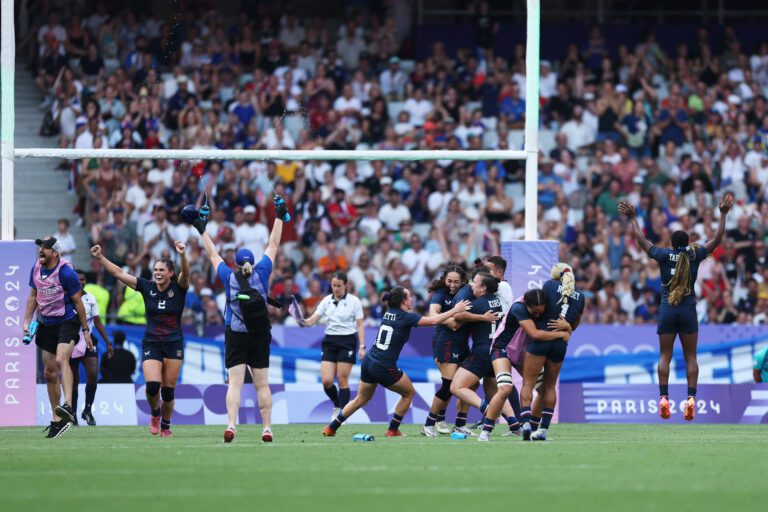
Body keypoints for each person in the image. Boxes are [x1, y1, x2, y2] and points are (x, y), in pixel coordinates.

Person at [618, 192, 733, 421]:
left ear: (671, 244)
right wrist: (722, 215)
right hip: (688, 308)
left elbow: (642, 242)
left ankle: (664, 398)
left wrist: (633, 218)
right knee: (691, 357)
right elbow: (717, 240)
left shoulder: (663, 255)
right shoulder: (695, 255)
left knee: (665, 356)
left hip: (667, 308)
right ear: (688, 243)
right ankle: (690, 399)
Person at [322, 287, 471, 437]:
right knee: (409, 393)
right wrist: (455, 310)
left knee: (360, 399)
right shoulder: (406, 317)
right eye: (410, 296)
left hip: (369, 361)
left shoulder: (389, 313)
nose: (412, 299)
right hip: (384, 366)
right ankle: (393, 429)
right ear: (404, 301)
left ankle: (332, 427)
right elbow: (434, 320)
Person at [198, 196, 287, 443]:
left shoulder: (228, 277)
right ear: (253, 261)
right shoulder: (263, 271)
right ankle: (267, 428)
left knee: (234, 384)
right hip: (259, 334)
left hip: (235, 334)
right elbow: (274, 243)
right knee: (263, 385)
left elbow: (213, 254)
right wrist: (279, 216)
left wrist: (202, 229)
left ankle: (231, 425)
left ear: (236, 263)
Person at [90, 240, 189, 437]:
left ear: (170, 273)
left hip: (173, 343)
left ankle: (166, 426)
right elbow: (119, 273)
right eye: (155, 269)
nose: (157, 273)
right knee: (152, 387)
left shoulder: (179, 288)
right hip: (151, 342)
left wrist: (182, 255)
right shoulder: (146, 287)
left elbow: (185, 273)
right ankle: (155, 414)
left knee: (168, 391)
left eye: (162, 270)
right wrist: (100, 258)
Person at [24, 236, 93, 438]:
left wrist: (86, 330)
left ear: (56, 253)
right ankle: (57, 420)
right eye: (40, 247)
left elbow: (79, 303)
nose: (41, 251)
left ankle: (69, 406)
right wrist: (26, 322)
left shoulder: (66, 272)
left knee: (62, 358)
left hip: (67, 321)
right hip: (46, 322)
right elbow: (32, 297)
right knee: (49, 373)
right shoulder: (36, 268)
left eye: (45, 248)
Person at [479, 288, 570, 442]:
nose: (538, 315)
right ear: (527, 305)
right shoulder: (518, 308)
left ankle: (533, 430)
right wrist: (562, 334)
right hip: (502, 350)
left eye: (540, 312)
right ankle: (485, 432)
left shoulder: (543, 308)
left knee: (544, 390)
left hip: (523, 355)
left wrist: (567, 327)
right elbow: (534, 334)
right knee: (505, 389)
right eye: (534, 312)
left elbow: (565, 323)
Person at [449, 271, 518, 435]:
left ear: (484, 287)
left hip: (482, 352)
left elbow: (458, 315)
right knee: (493, 390)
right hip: (496, 352)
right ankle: (514, 424)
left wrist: (478, 317)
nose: (472, 284)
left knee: (456, 387)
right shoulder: (496, 302)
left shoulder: (479, 304)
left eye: (476, 282)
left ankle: (486, 409)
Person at [525, 263, 585, 441]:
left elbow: (538, 308)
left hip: (541, 338)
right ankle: (543, 428)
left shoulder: (549, 285)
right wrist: (566, 326)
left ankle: (526, 424)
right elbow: (573, 325)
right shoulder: (581, 297)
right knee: (550, 386)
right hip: (560, 343)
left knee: (528, 384)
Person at [300, 271, 365, 420]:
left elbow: (360, 325)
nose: (335, 289)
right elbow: (313, 319)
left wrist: (362, 346)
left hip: (347, 340)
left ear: (346, 285)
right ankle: (337, 405)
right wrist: (304, 322)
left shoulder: (355, 301)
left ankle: (342, 414)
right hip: (330, 340)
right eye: (333, 285)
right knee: (327, 381)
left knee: (342, 379)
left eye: (339, 286)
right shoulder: (326, 300)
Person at [422, 264, 468, 436]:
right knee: (449, 385)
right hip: (445, 342)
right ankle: (431, 422)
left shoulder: (466, 292)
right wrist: (449, 321)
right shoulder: (440, 293)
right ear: (444, 280)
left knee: (467, 382)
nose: (453, 285)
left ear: (463, 281)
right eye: (449, 281)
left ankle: (460, 423)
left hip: (463, 343)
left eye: (456, 281)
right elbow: (433, 314)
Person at [69, 269, 114, 426]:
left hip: (89, 341)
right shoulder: (66, 297)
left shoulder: (90, 298)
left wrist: (108, 341)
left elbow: (98, 321)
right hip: (71, 341)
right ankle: (72, 413)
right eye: (78, 279)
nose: (80, 282)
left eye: (83, 279)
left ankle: (87, 409)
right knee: (73, 380)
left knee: (93, 374)